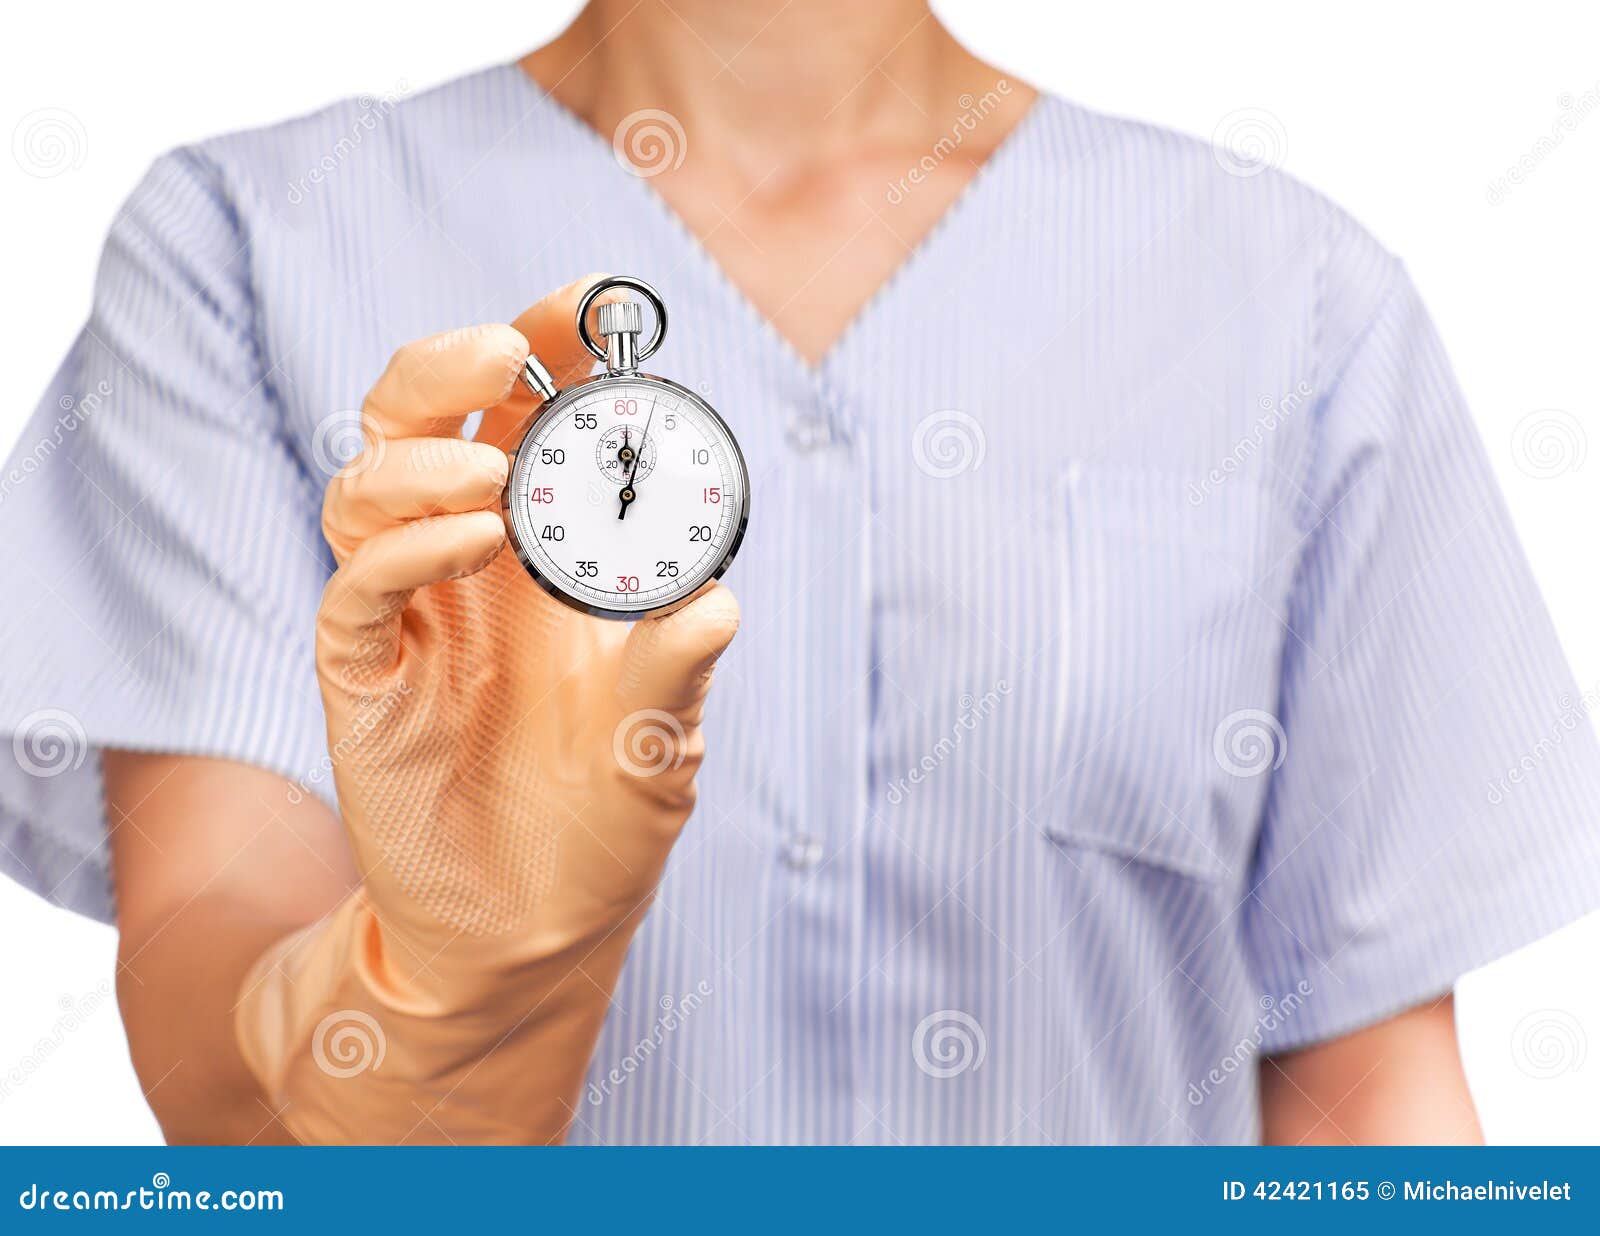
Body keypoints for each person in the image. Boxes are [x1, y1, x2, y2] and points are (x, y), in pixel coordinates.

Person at [2, 0, 1598, 1145]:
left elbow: (1371, 1096)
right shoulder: (246, 246)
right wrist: (450, 982)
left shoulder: (1289, 294)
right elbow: (229, 1096)